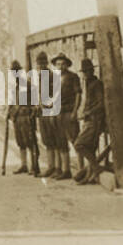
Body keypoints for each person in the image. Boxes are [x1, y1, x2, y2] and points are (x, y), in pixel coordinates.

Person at [73, 57, 106, 185]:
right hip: (89, 119)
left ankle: (96, 168)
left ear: (92, 71)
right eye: (84, 72)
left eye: (88, 71)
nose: (86, 74)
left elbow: (101, 103)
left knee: (79, 145)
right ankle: (89, 176)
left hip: (95, 120)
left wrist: (88, 112)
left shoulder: (96, 84)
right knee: (90, 148)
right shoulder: (88, 83)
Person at [51, 52, 81, 180]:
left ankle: (81, 169)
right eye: (58, 64)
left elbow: (78, 94)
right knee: (61, 142)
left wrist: (75, 111)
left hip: (69, 112)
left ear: (67, 65)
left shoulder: (73, 77)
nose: (60, 66)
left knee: (75, 140)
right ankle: (66, 170)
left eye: (63, 64)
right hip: (58, 112)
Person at [8, 60, 40, 176]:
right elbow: (12, 103)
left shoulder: (28, 85)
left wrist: (31, 111)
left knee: (30, 142)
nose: (14, 74)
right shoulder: (15, 87)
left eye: (16, 71)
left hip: (26, 118)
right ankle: (24, 164)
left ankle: (34, 166)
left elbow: (34, 102)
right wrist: (10, 111)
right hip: (17, 118)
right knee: (20, 142)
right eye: (13, 72)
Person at [33, 50, 59, 177]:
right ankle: (51, 166)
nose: (40, 66)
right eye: (39, 64)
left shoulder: (50, 76)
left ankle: (55, 167)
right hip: (43, 111)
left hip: (50, 111)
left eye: (42, 64)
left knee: (53, 140)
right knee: (47, 140)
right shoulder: (39, 76)